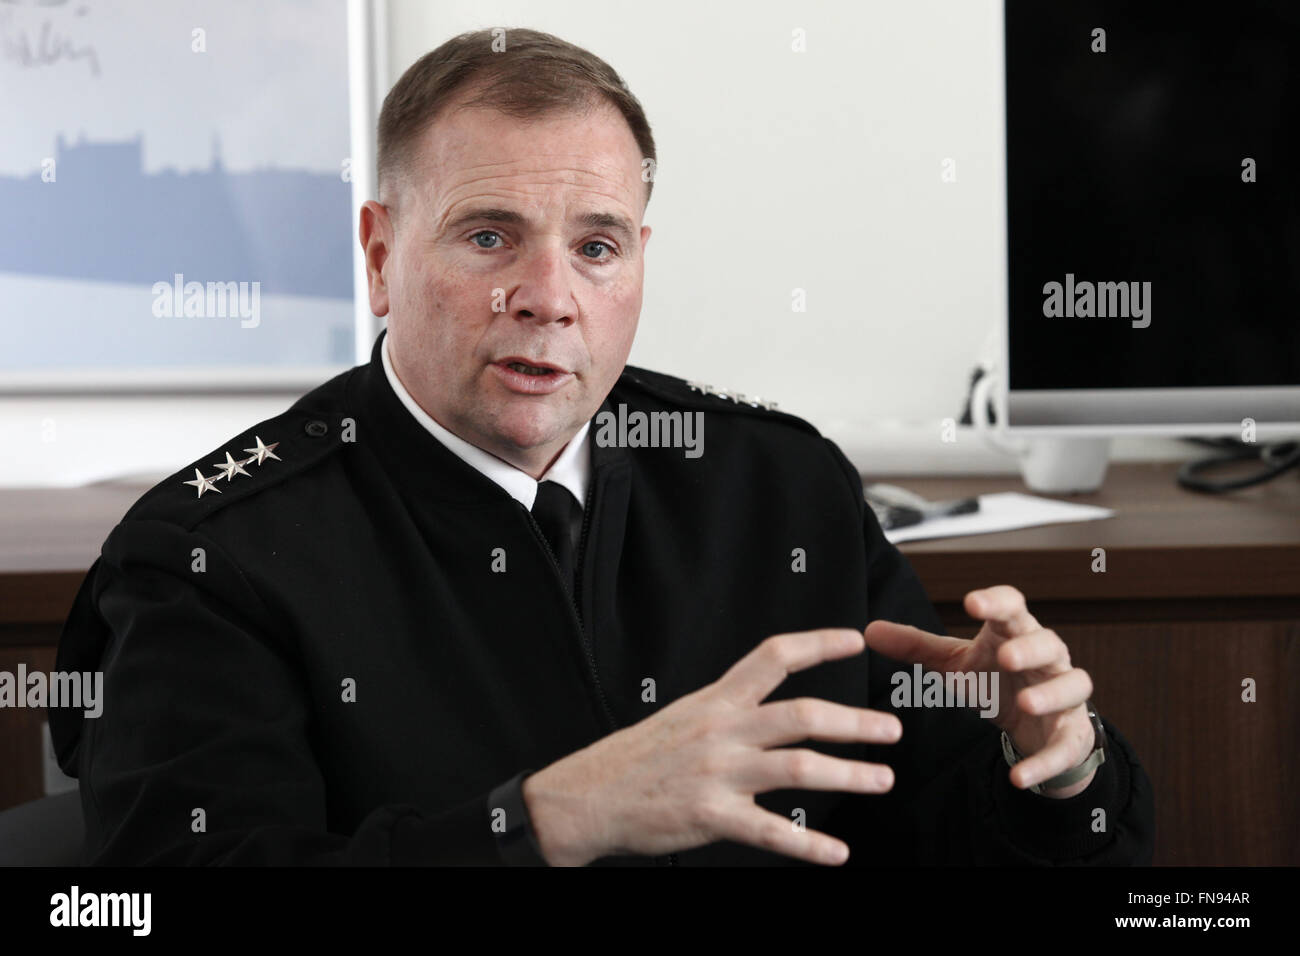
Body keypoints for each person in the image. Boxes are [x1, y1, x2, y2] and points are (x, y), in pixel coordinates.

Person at [50, 28, 1154, 867]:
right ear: (382, 256)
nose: (549, 299)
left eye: (596, 246)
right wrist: (544, 819)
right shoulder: (208, 556)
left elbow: (956, 839)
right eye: (490, 237)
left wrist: (1050, 765)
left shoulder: (779, 486)